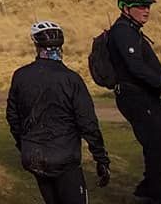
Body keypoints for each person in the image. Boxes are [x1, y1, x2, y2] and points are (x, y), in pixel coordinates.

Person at [6, 20, 110, 204]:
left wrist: (24, 144)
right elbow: (87, 122)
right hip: (64, 157)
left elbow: (13, 117)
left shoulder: (20, 76)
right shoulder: (71, 79)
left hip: (34, 156)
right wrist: (101, 158)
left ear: (36, 45)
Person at [108, 0, 161, 204]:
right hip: (136, 98)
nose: (146, 10)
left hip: (147, 96)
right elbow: (135, 66)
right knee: (157, 146)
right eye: (141, 6)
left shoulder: (132, 30)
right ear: (126, 9)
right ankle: (160, 195)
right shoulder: (122, 31)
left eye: (148, 6)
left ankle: (149, 187)